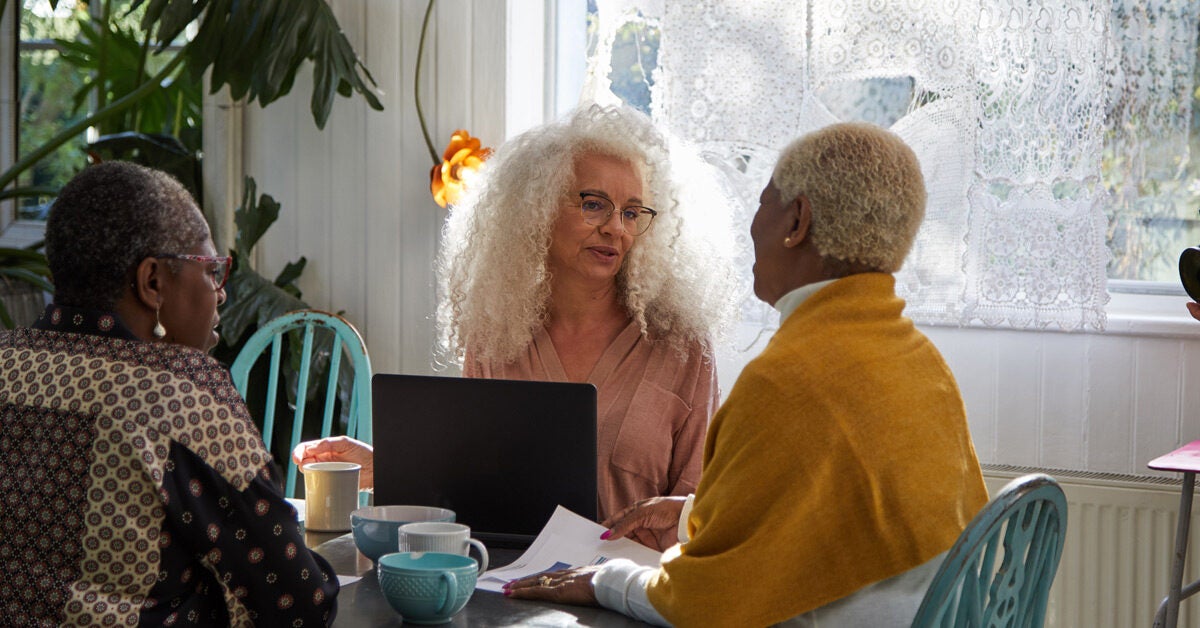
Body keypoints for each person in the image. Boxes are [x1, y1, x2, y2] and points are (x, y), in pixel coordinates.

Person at [503, 122, 989, 626]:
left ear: (796, 221)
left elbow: (708, 603)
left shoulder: (787, 378)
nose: (753, 227)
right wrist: (691, 515)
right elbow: (825, 516)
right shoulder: (920, 359)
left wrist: (605, 581)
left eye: (762, 203)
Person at [296, 104, 739, 550]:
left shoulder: (682, 347)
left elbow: (703, 510)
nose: (615, 229)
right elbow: (475, 485)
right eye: (593, 204)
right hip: (507, 579)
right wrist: (387, 468)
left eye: (631, 212)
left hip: (628, 585)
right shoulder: (496, 335)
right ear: (538, 208)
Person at [0, 161, 339, 626]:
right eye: (212, 270)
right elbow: (299, 603)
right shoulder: (180, 392)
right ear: (153, 283)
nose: (221, 293)